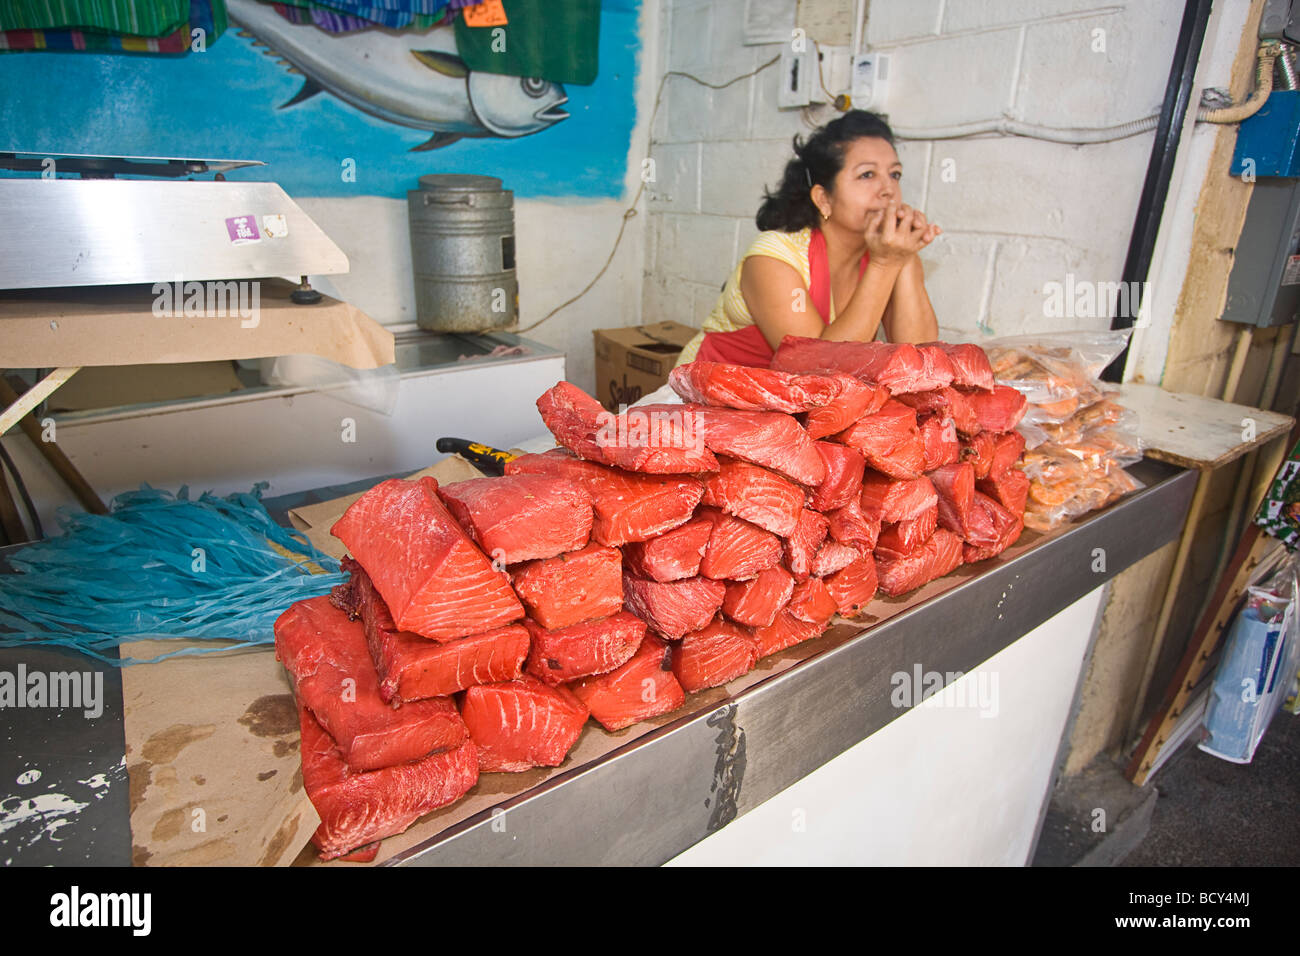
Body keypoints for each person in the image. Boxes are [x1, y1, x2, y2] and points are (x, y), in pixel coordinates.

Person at [674, 110, 941, 369]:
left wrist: (903, 258)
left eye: (895, 174)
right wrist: (884, 264)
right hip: (706, 397)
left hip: (789, 406)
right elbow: (819, 371)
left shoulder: (887, 254)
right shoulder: (772, 258)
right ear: (823, 199)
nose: (888, 191)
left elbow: (922, 362)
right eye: (867, 175)